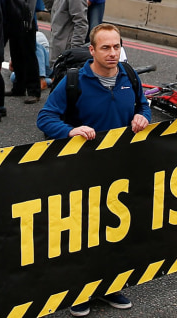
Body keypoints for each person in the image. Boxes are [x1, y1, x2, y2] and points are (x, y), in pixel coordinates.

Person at [35, 23, 147, 316]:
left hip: (119, 169)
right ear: (92, 50)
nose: (112, 53)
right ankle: (79, 291)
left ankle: (109, 286)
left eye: (117, 46)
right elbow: (45, 117)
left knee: (115, 230)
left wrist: (142, 117)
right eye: (105, 47)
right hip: (81, 172)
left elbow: (143, 105)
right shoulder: (74, 81)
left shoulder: (129, 76)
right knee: (83, 233)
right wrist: (70, 131)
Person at [2, 0, 42, 103]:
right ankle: (18, 88)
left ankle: (34, 91)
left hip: (26, 23)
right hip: (13, 22)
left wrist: (28, 20)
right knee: (16, 55)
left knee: (29, 56)